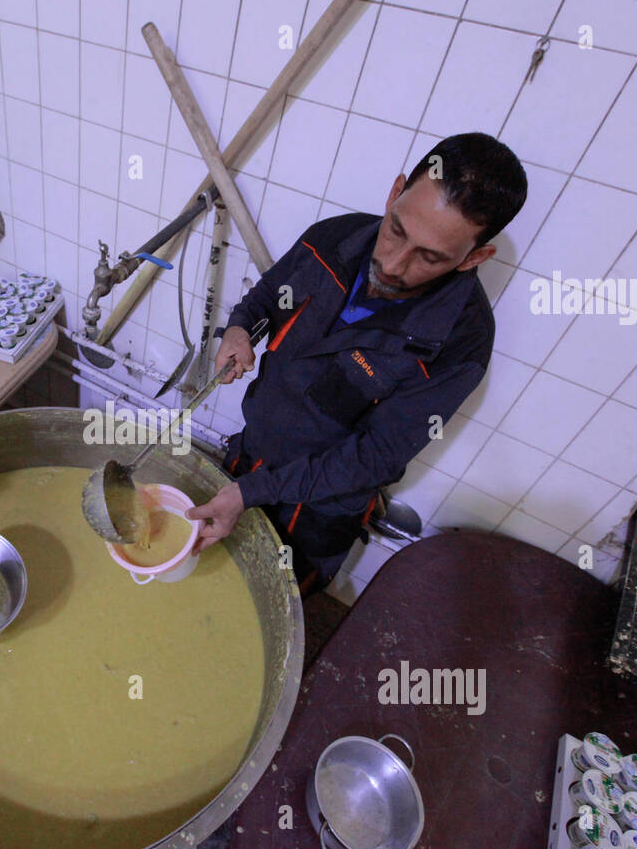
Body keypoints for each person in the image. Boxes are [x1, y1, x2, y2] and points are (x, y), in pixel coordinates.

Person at [188, 133, 528, 594]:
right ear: (396, 192)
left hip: (313, 514)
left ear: (475, 258)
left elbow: (375, 457)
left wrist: (251, 494)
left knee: (270, 602)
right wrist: (240, 327)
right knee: (208, 583)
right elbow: (271, 294)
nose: (392, 264)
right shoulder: (335, 238)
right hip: (249, 458)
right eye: (396, 229)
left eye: (429, 257)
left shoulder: (459, 343)